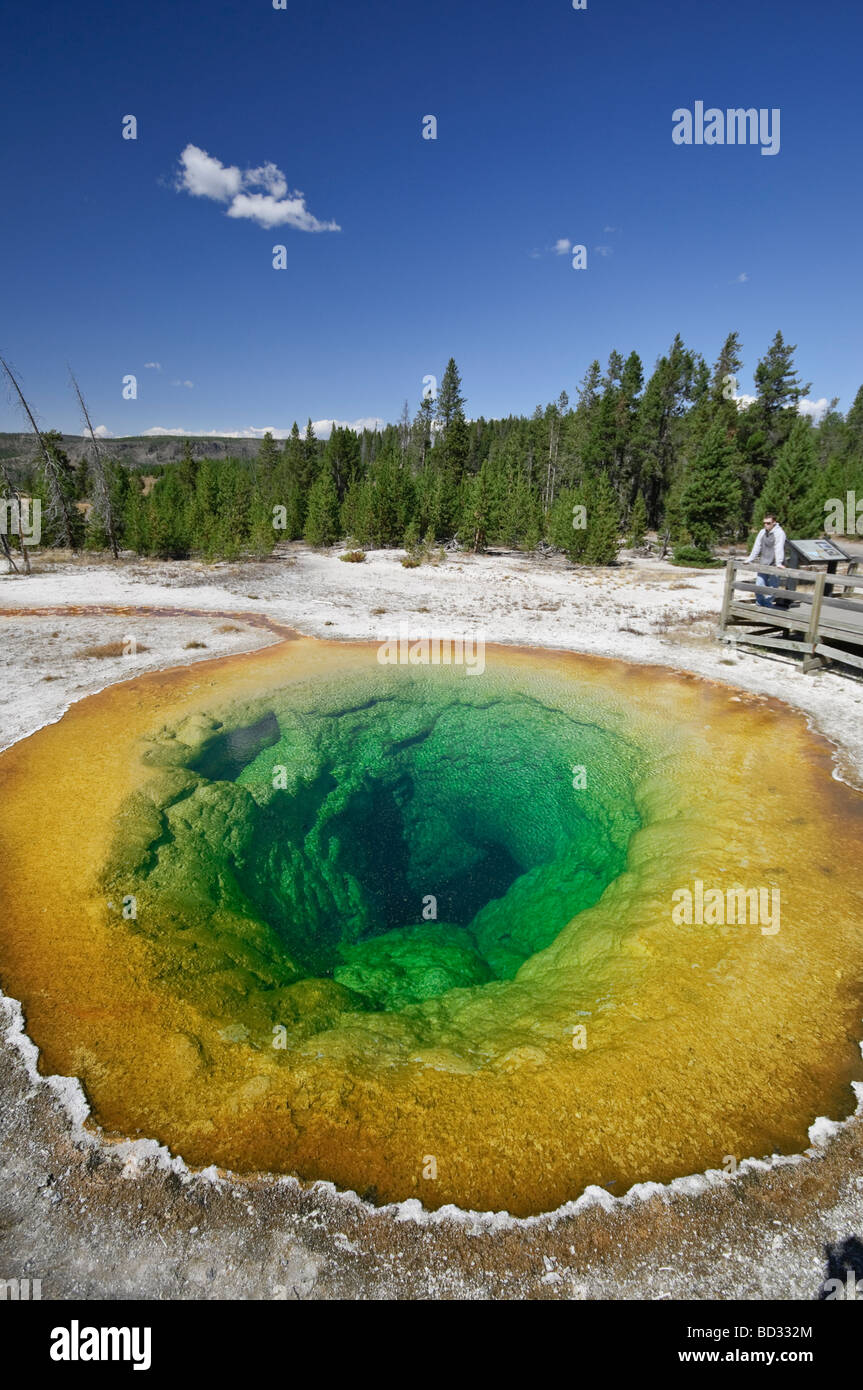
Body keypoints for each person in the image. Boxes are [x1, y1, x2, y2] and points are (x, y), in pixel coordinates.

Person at [745, 514, 787, 608]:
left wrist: (779, 563)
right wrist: (750, 559)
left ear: (774, 523)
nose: (766, 525)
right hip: (764, 562)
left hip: (775, 563)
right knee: (759, 584)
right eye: (764, 523)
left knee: (772, 586)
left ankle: (767, 605)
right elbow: (757, 546)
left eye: (768, 523)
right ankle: (759, 604)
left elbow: (778, 548)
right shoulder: (762, 532)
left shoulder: (779, 533)